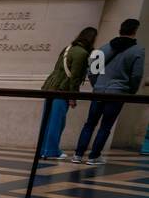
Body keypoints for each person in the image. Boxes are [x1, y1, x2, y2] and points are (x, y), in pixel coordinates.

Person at [74, 19, 143, 165]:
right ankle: (93, 156)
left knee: (90, 124)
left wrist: (97, 85)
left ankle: (78, 154)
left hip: (99, 91)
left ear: (120, 30)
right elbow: (136, 75)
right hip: (118, 92)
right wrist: (131, 90)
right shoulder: (138, 51)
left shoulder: (103, 48)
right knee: (106, 126)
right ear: (135, 31)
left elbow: (92, 71)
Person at [37, 26, 98, 160]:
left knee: (47, 121)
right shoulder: (81, 53)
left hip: (51, 87)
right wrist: (73, 97)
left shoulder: (68, 48)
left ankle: (43, 149)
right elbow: (75, 78)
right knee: (57, 121)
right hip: (62, 89)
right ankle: (51, 150)